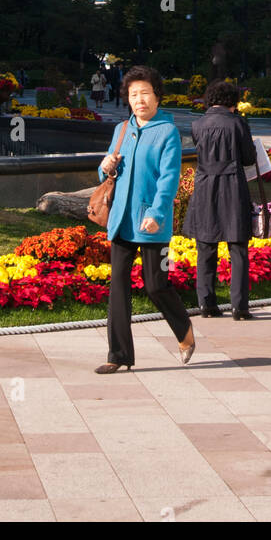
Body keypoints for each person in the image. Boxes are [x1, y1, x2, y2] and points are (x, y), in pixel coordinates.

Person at [95, 65, 194, 373]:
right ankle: (118, 355)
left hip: (152, 222)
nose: (139, 100)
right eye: (134, 94)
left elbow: (169, 178)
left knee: (156, 285)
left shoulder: (168, 132)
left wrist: (156, 213)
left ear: (157, 96)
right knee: (119, 288)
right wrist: (106, 164)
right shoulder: (121, 129)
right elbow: (107, 173)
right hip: (122, 219)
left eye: (145, 94)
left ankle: (185, 332)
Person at [184, 79, 258, 320]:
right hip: (233, 185)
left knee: (205, 246)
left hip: (205, 185)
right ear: (233, 101)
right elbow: (248, 158)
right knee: (238, 248)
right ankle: (239, 306)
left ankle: (206, 304)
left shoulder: (197, 124)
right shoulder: (239, 123)